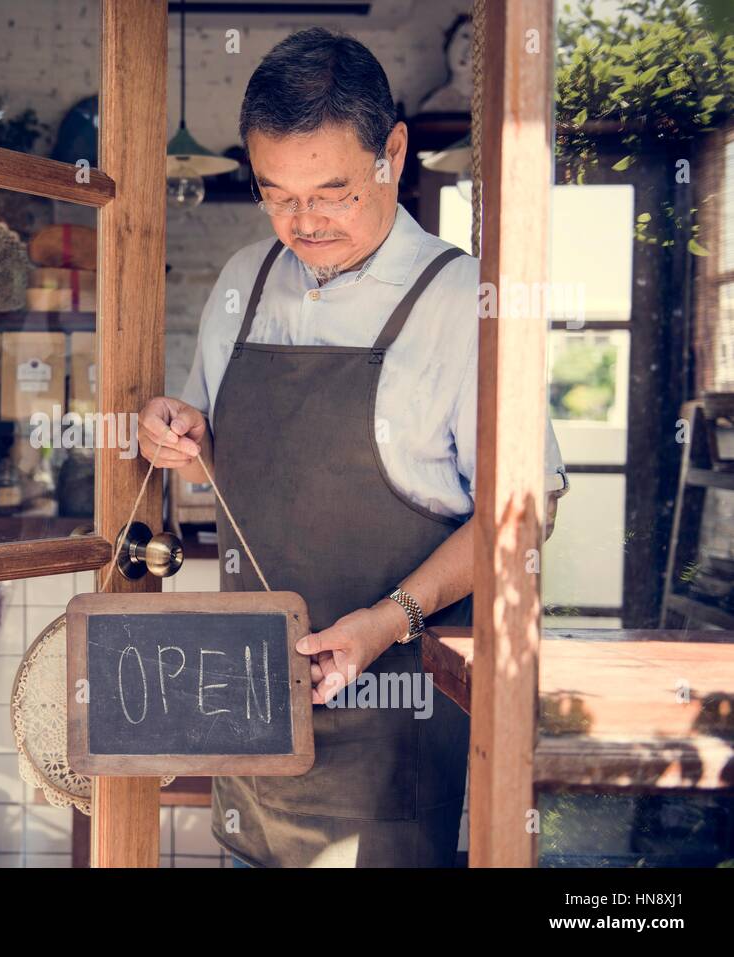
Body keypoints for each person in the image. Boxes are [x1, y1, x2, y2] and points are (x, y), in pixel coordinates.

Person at [138, 27, 569, 868]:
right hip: (257, 714)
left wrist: (387, 621)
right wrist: (178, 436)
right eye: (279, 196)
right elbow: (227, 463)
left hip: (394, 729)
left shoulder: (462, 305)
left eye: (333, 192)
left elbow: (526, 513)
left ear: (393, 153)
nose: (306, 222)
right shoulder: (243, 282)